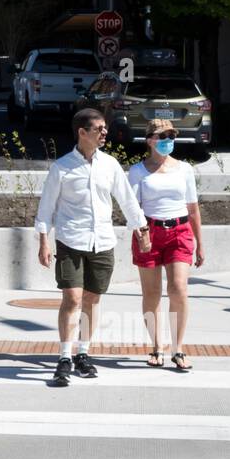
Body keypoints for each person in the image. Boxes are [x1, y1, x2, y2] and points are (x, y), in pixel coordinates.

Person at [36, 108, 150, 385]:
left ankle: (83, 353)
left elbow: (127, 200)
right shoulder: (62, 167)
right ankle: (64, 356)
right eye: (99, 129)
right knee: (72, 299)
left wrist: (142, 229)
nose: (104, 133)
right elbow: (46, 208)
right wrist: (43, 241)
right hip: (70, 241)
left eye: (104, 129)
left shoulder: (110, 165)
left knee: (92, 299)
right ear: (82, 132)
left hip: (103, 242)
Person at [129, 119, 203, 371]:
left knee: (178, 288)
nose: (168, 140)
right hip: (149, 231)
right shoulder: (138, 171)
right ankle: (156, 347)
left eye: (171, 135)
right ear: (149, 140)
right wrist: (141, 233)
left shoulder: (185, 170)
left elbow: (193, 208)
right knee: (151, 293)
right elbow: (132, 209)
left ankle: (178, 349)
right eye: (162, 136)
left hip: (180, 231)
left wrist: (200, 244)